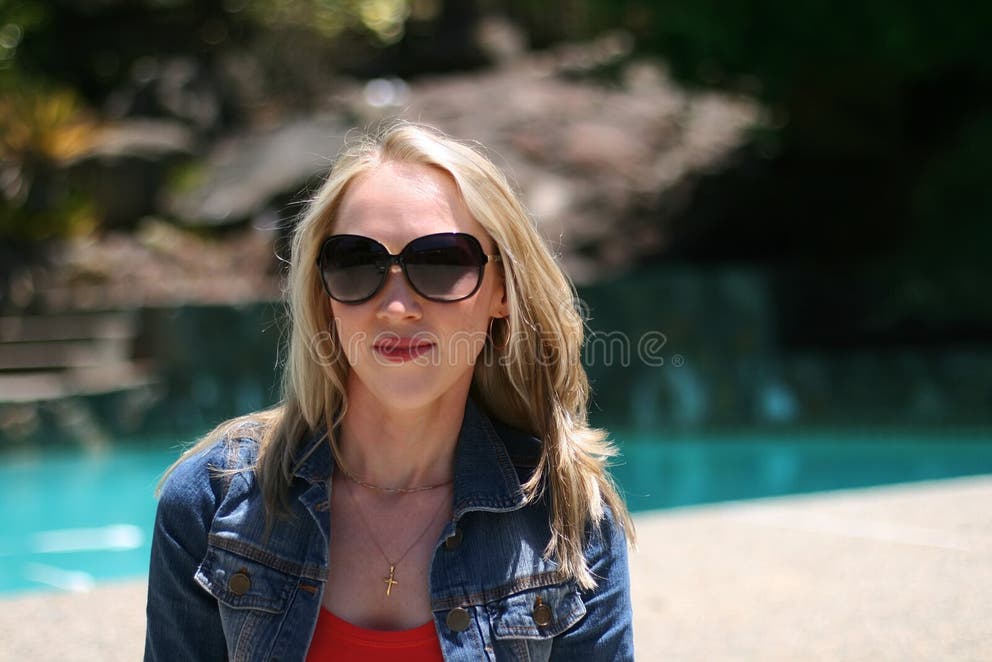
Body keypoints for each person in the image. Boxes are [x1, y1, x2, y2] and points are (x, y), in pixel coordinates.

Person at [144, 122, 635, 661]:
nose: (396, 307)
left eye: (442, 262)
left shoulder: (569, 520)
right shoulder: (213, 500)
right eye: (356, 263)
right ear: (323, 294)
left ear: (503, 291)